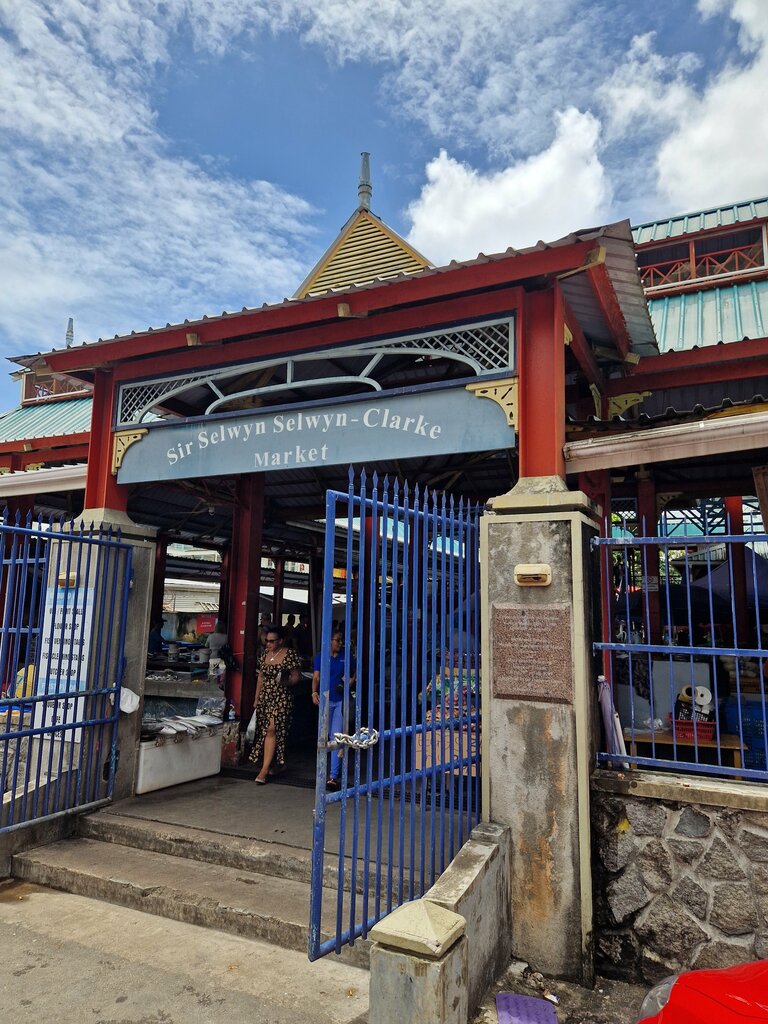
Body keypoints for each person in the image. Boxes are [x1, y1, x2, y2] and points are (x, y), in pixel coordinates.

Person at [249, 625, 302, 784]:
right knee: (268, 732)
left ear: (280, 641)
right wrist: (256, 698)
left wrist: (286, 680)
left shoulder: (290, 654)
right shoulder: (265, 654)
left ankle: (263, 771)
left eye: (272, 641)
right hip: (266, 696)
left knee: (272, 729)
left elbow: (296, 676)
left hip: (282, 697)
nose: (269, 644)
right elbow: (260, 677)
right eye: (267, 641)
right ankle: (278, 762)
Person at [311, 631, 356, 791]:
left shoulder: (347, 656)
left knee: (336, 735)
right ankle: (323, 771)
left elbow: (354, 674)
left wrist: (347, 685)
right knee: (323, 735)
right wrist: (314, 692)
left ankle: (332, 776)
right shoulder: (321, 656)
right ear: (329, 641)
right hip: (325, 699)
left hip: (340, 700)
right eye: (337, 640)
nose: (340, 643)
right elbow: (316, 676)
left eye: (341, 640)